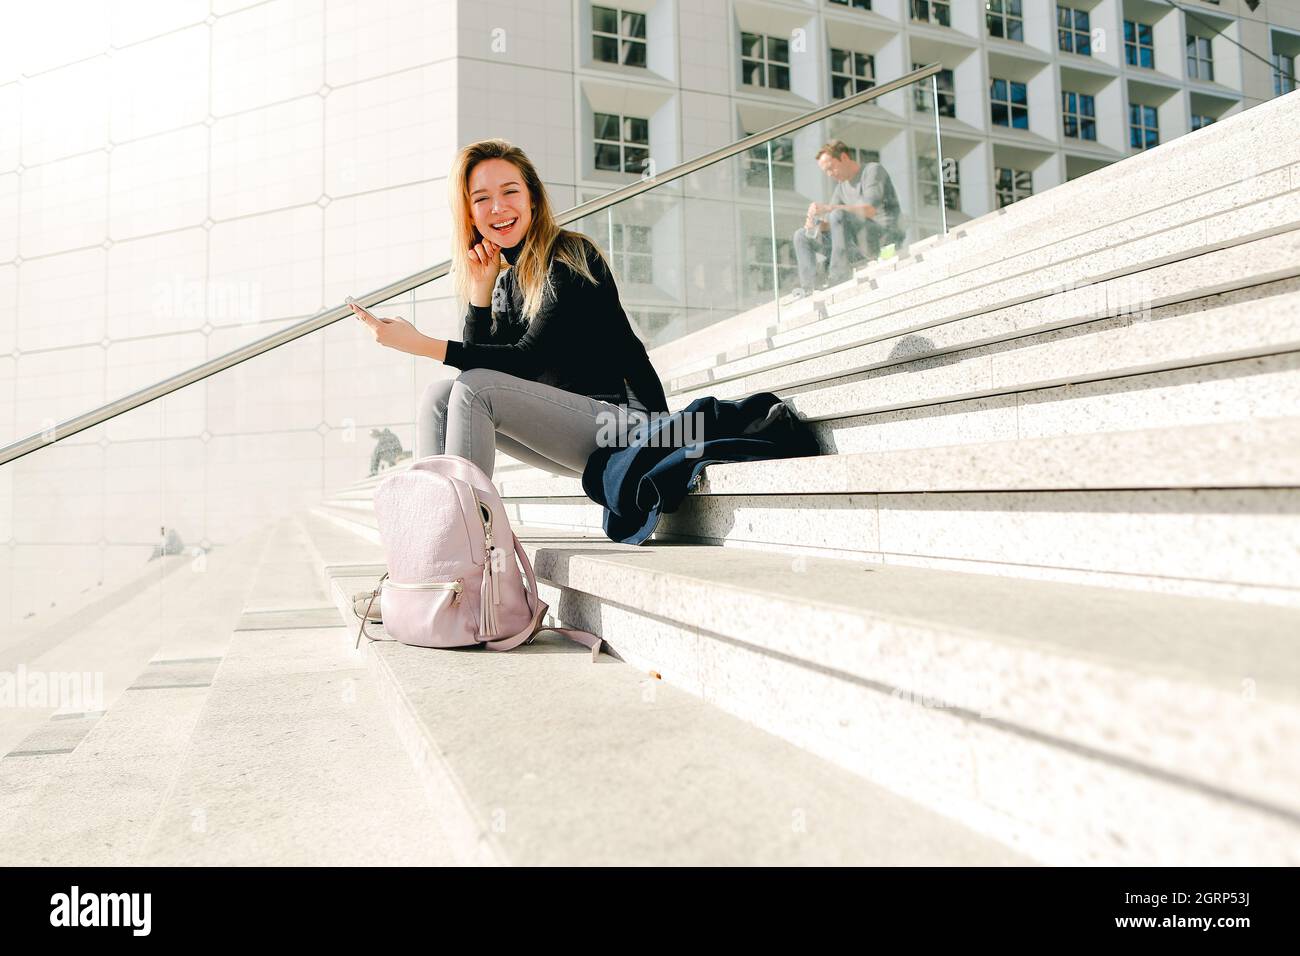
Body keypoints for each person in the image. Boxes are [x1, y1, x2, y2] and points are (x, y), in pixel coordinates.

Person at [349, 138, 668, 481]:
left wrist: (422, 344)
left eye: (510, 192)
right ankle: (442, 520)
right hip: (581, 430)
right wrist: (480, 294)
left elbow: (526, 360)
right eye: (482, 199)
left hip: (635, 427)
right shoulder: (507, 282)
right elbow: (476, 370)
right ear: (470, 214)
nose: (498, 207)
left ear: (532, 197)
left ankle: (465, 526)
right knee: (440, 394)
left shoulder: (570, 257)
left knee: (477, 390)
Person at [790, 140, 904, 298]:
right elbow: (833, 224)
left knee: (838, 213)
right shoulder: (841, 188)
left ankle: (838, 276)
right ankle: (808, 288)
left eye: (831, 168)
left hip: (882, 238)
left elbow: (870, 210)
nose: (830, 174)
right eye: (826, 172)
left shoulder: (873, 171)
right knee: (801, 235)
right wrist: (814, 224)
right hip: (855, 244)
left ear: (843, 157)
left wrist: (830, 209)